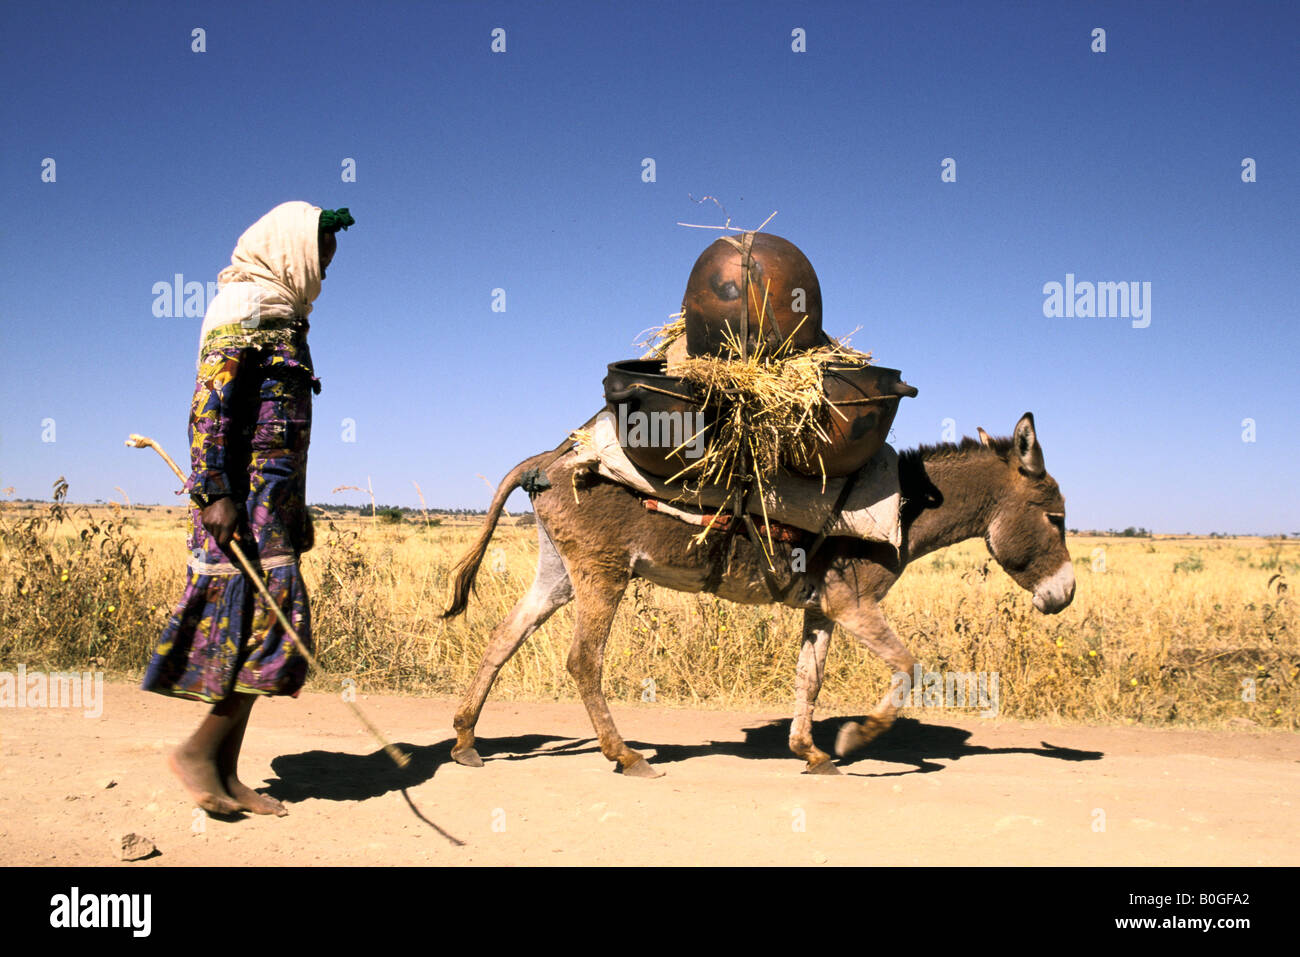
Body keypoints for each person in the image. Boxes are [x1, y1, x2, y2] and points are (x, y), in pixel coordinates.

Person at [143, 202, 354, 816]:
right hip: (240, 506)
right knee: (274, 630)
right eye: (321, 261)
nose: (324, 274)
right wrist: (215, 491)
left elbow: (280, 428)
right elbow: (210, 404)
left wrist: (296, 507)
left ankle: (225, 773)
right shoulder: (247, 310)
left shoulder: (284, 316)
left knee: (254, 635)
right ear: (289, 252)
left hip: (271, 506)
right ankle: (196, 754)